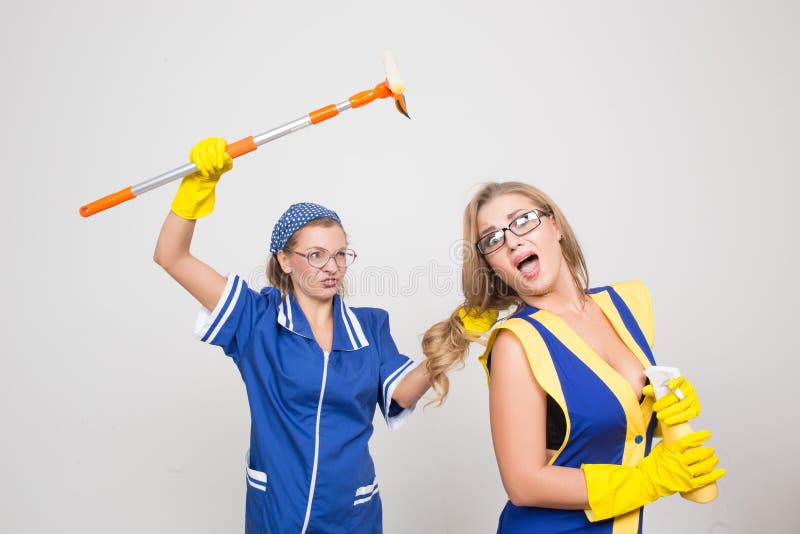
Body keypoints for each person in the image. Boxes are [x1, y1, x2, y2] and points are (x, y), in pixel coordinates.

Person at [153, 137, 432, 533]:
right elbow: (171, 256)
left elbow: (402, 393)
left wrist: (451, 344)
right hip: (279, 512)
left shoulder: (370, 326)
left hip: (352, 513)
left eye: (340, 254)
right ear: (284, 259)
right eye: (315, 254)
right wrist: (195, 192)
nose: (331, 266)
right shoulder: (254, 320)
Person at [421, 181, 725, 533]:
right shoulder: (516, 344)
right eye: (493, 239)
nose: (512, 241)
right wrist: (647, 480)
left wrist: (664, 414)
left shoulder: (624, 305)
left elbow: (610, 429)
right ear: (491, 264)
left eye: (522, 221)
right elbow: (523, 483)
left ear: (555, 226)